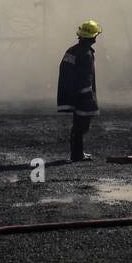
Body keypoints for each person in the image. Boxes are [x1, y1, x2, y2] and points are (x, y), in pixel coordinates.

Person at [57, 20, 101, 162]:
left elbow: (65, 70)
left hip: (73, 93)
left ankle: (77, 153)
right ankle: (76, 155)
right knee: (81, 125)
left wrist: (70, 91)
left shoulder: (72, 50)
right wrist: (87, 95)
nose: (96, 38)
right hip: (83, 95)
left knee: (78, 124)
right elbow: (86, 77)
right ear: (91, 37)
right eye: (95, 35)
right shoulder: (86, 54)